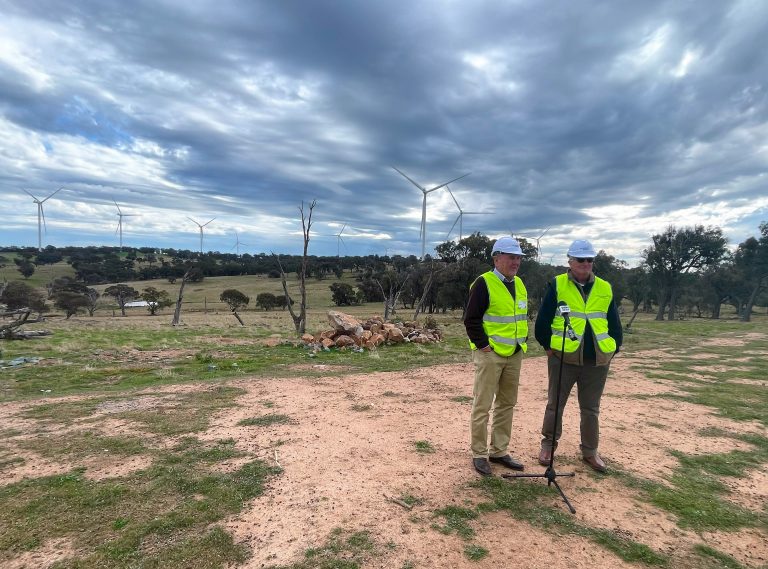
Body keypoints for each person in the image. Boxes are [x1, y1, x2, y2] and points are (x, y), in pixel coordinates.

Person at [535, 239, 623, 473]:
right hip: (563, 357)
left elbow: (613, 322)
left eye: (589, 260)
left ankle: (590, 452)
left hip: (598, 360)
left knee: (591, 409)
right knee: (555, 404)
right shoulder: (557, 284)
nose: (585, 264)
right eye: (580, 260)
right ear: (570, 261)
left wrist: (614, 348)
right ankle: (548, 446)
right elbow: (542, 320)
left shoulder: (605, 287)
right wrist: (548, 347)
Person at [464, 236, 529, 476]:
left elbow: (519, 317)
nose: (516, 262)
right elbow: (470, 319)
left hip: (514, 353)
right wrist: (483, 346)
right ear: (497, 258)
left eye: (519, 258)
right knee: (482, 405)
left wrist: (522, 342)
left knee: (507, 404)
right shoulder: (483, 283)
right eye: (511, 257)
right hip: (490, 354)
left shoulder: (520, 284)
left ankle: (499, 450)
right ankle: (479, 454)